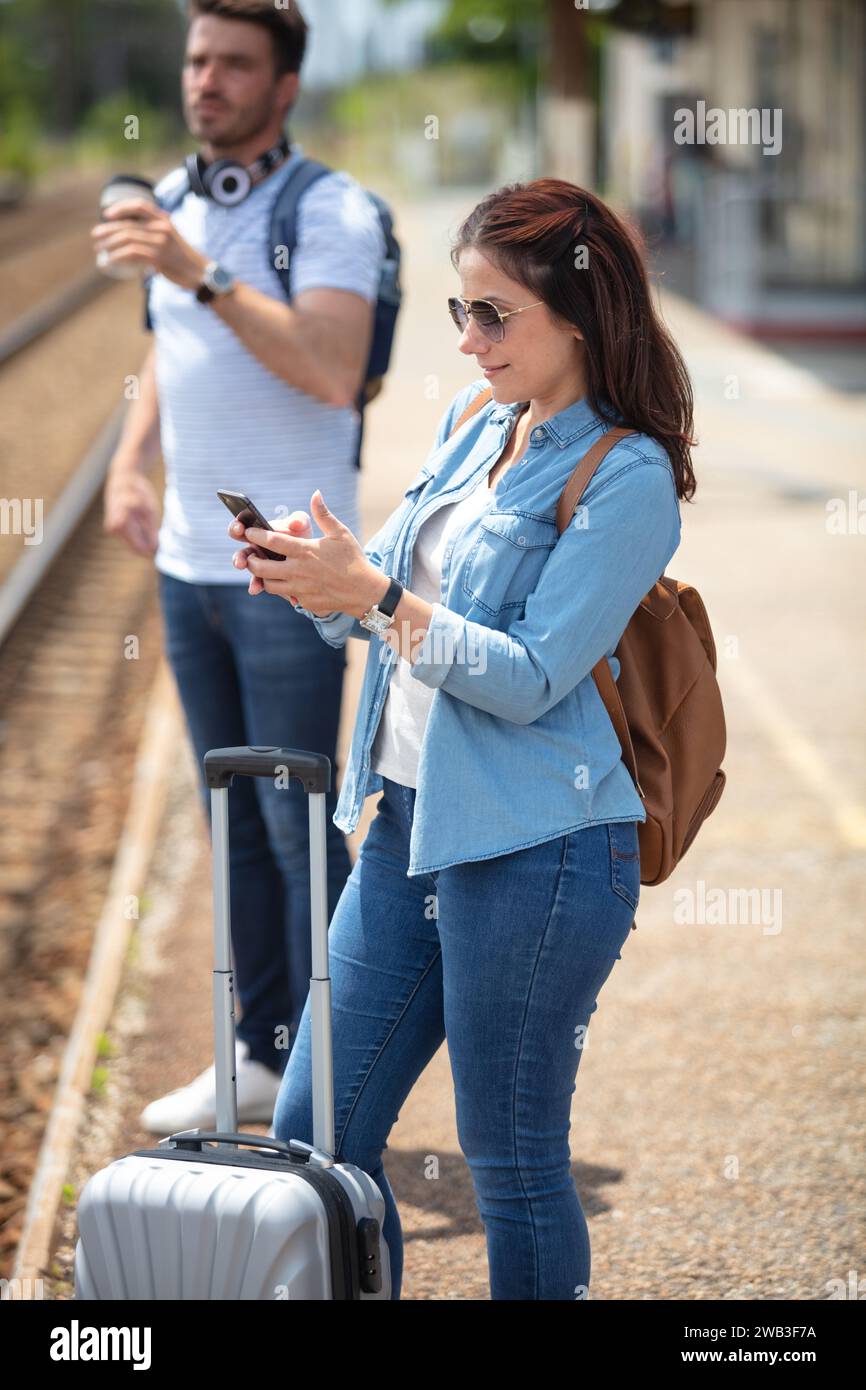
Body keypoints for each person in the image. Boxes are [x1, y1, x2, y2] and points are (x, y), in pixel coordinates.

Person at [229, 179, 696, 1300]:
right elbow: (379, 587)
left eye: (495, 315)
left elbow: (532, 677)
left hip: (537, 853)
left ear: (578, 317)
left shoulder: (624, 475)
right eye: (459, 311)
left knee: (514, 1162)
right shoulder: (470, 425)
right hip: (405, 828)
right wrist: (316, 570)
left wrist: (376, 595)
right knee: (315, 1141)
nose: (469, 338)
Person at [94, 0, 385, 1133]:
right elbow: (176, 350)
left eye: (233, 64)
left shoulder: (330, 211)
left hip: (290, 569)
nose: (204, 81)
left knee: (293, 820)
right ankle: (266, 1056)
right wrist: (130, 464)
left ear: (285, 86)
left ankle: (342, 1069)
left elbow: (330, 367)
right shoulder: (170, 200)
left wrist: (197, 266)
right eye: (196, 58)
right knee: (231, 818)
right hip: (186, 566)